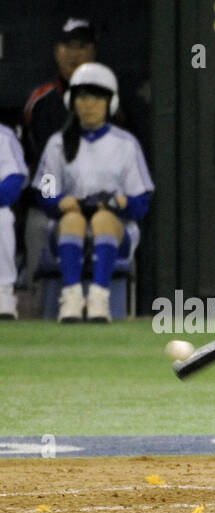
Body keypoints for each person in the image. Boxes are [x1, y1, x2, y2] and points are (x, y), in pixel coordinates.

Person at [35, 63, 152, 323]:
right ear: (72, 101)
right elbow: (45, 194)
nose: (89, 104)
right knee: (73, 219)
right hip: (69, 223)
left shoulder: (125, 144)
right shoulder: (57, 143)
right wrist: (60, 201)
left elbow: (141, 202)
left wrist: (120, 202)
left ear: (110, 103)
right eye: (83, 96)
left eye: (97, 97)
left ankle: (100, 297)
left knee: (102, 220)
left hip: (114, 226)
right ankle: (72, 298)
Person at [20, 18, 97, 292]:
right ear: (57, 52)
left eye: (81, 46)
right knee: (38, 221)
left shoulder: (114, 101)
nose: (74, 54)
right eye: (68, 46)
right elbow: (36, 163)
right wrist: (55, 200)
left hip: (97, 206)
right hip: (49, 206)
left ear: (93, 52)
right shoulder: (41, 101)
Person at [0, 125, 27, 319]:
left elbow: (15, 182)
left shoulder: (4, 136)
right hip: (48, 210)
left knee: (2, 216)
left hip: (44, 213)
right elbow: (49, 193)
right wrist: (53, 202)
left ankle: (2, 292)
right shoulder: (56, 143)